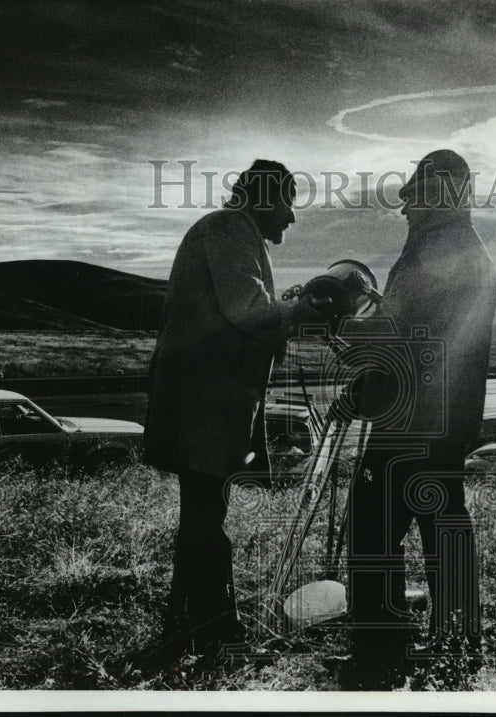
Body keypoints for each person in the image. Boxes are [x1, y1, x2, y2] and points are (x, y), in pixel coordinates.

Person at [144, 159, 330, 661]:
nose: (291, 217)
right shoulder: (228, 228)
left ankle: (190, 626)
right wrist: (302, 310)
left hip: (205, 398)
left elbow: (243, 308)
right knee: (207, 519)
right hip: (203, 401)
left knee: (203, 516)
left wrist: (290, 309)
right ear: (265, 198)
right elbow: (246, 309)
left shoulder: (231, 231)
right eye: (288, 202)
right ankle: (217, 635)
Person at [343, 149, 496, 684]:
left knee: (372, 525)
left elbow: (399, 333)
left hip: (413, 418)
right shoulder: (460, 247)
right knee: (441, 520)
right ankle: (457, 639)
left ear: (438, 197)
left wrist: (342, 325)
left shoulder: (437, 252)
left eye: (414, 196)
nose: (406, 207)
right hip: (441, 415)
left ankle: (380, 644)